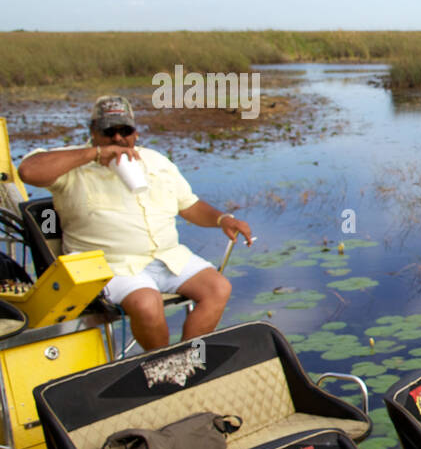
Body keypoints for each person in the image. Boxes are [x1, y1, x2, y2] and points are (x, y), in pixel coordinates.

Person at [17, 95, 253, 351]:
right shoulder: (73, 164)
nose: (118, 138)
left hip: (168, 257)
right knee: (146, 303)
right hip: (110, 266)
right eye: (109, 131)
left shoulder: (156, 161)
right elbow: (28, 171)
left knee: (219, 287)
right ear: (93, 132)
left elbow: (190, 206)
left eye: (125, 130)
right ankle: (160, 364)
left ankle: (187, 361)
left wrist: (223, 219)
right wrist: (94, 154)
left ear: (136, 133)